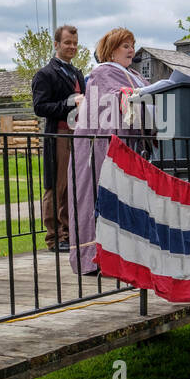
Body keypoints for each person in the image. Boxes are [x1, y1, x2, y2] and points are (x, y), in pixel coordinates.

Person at [67, 28, 150, 273]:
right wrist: (132, 97)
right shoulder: (103, 72)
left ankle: (129, 257)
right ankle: (95, 257)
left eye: (132, 45)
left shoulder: (133, 73)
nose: (131, 50)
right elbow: (109, 103)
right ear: (111, 50)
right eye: (125, 46)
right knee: (98, 197)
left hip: (131, 147)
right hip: (100, 149)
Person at [31, 25, 87, 252]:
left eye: (75, 43)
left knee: (74, 185)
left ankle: (70, 234)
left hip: (78, 135)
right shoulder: (45, 74)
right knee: (57, 186)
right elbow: (39, 107)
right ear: (56, 45)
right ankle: (54, 238)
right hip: (59, 135)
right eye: (67, 43)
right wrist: (69, 103)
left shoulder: (78, 73)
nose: (72, 47)